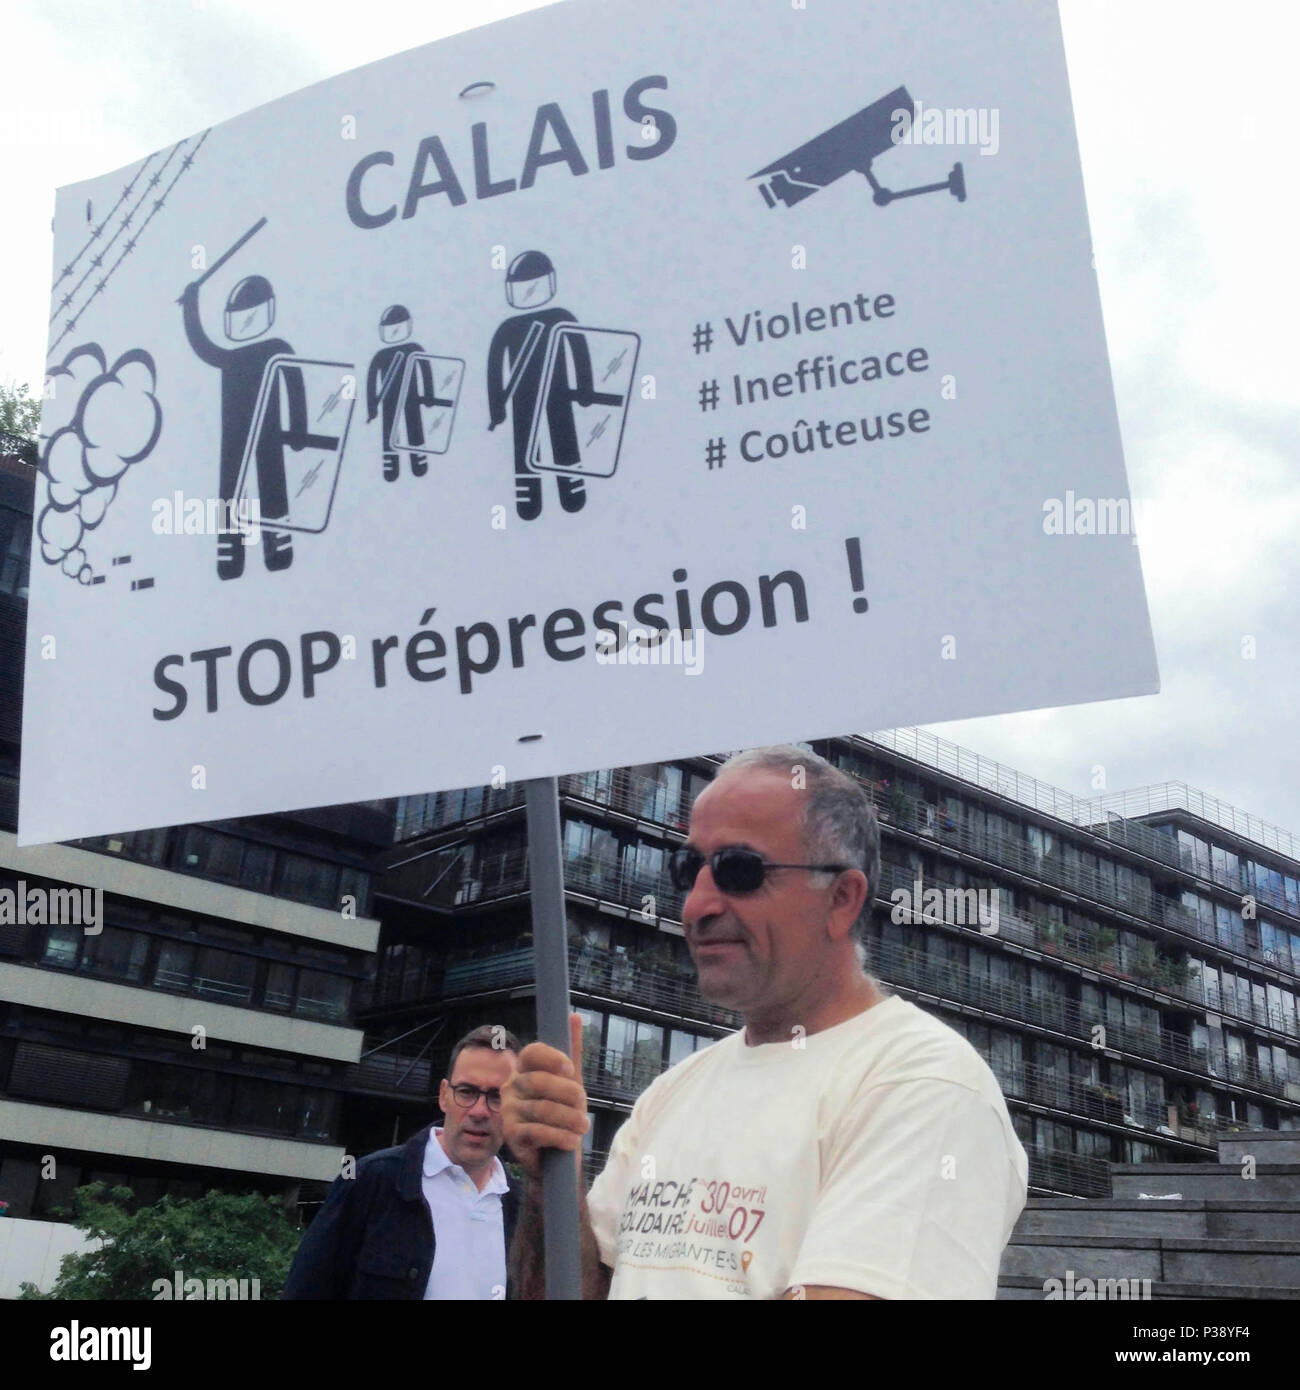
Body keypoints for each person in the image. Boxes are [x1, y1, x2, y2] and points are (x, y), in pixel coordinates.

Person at [503, 745, 1029, 1299]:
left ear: (842, 899)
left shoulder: (925, 1086)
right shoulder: (671, 1093)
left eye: (739, 870)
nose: (695, 906)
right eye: (689, 868)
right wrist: (549, 1183)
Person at [284, 1024, 523, 1299]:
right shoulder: (370, 1181)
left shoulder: (521, 1211)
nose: (479, 1111)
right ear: (444, 1095)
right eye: (467, 1092)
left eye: (497, 1096)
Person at [181, 273, 303, 579]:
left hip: (269, 430)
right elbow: (202, 345)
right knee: (230, 491)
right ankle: (230, 554)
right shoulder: (230, 357)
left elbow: (295, 385)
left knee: (272, 485)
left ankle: (278, 549)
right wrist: (191, 306)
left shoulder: (276, 348)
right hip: (235, 435)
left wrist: (299, 428)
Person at [485, 250, 592, 521]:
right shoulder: (507, 328)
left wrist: (585, 390)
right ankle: (528, 499)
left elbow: (580, 352)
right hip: (524, 395)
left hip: (559, 391)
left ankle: (573, 492)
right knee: (525, 446)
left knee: (564, 439)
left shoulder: (560, 316)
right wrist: (497, 408)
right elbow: (495, 369)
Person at [366, 304, 428, 481]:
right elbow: (371, 381)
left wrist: (429, 396)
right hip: (389, 401)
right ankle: (391, 466)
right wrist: (372, 407)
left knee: (414, 428)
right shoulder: (380, 356)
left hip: (412, 398)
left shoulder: (414, 349)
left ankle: (419, 462)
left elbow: (425, 369)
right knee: (390, 432)